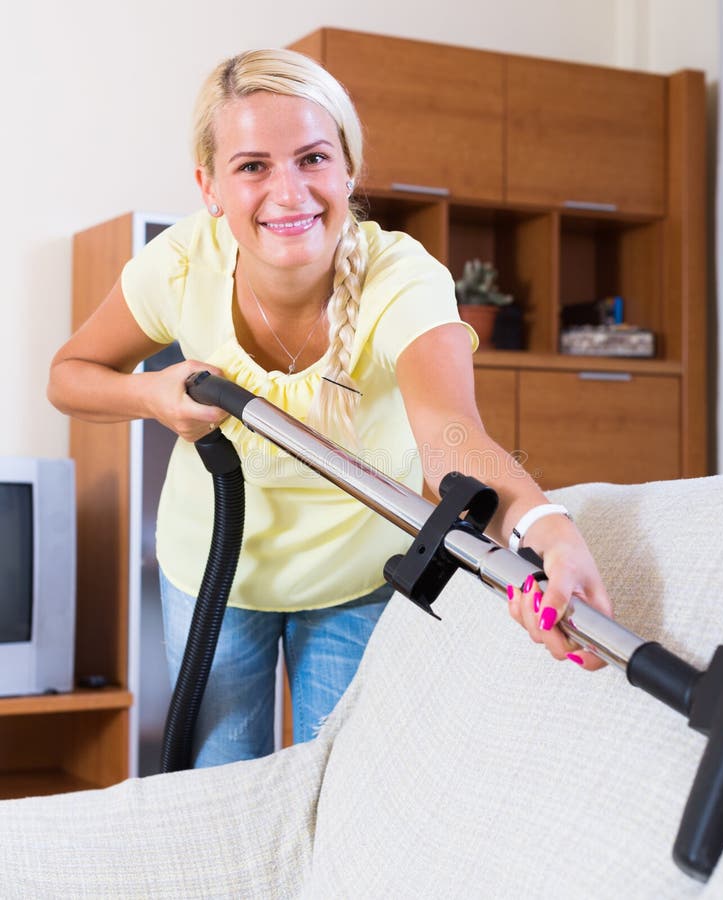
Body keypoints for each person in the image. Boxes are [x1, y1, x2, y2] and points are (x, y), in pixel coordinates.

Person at [48, 48, 612, 768]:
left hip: (358, 577)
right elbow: (69, 376)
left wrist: (547, 529)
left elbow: (451, 437)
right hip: (216, 572)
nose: (289, 193)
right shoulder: (182, 263)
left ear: (348, 168)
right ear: (209, 185)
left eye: (312, 158)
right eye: (253, 166)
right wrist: (150, 394)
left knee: (349, 787)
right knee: (228, 790)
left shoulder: (402, 279)